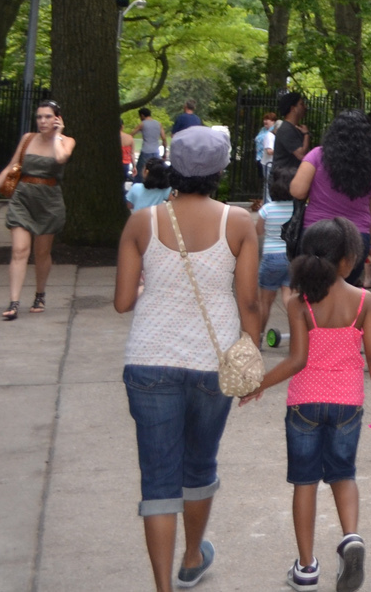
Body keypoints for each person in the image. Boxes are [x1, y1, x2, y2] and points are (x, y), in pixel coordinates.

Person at [114, 125, 259, 591]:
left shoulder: (143, 221)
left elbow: (121, 301)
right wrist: (251, 361)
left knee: (157, 479)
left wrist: (149, 285)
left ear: (174, 165)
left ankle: (161, 587)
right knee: (200, 465)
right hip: (211, 363)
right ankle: (192, 556)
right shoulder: (238, 223)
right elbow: (250, 303)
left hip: (149, 360)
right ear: (221, 169)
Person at [243, 217, 371, 592]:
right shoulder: (364, 300)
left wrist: (259, 384)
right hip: (347, 403)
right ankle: (351, 537)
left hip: (305, 404)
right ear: (348, 260)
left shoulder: (298, 301)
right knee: (344, 474)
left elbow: (296, 361)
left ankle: (306, 568)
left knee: (305, 482)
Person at [0, 99, 76, 320]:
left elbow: (61, 158)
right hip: (23, 198)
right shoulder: (28, 139)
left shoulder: (66, 141)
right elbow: (12, 167)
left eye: (48, 117)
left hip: (48, 201)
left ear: (57, 118)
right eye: (39, 117)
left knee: (41, 253)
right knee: (20, 251)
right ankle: (13, 303)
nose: (43, 121)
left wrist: (58, 135)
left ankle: (40, 294)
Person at [289, 111, 371, 285]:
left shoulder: (317, 155)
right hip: (357, 237)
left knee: (314, 289)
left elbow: (297, 191)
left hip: (316, 233)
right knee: (345, 289)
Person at [257, 167, 296, 347]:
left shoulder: (267, 209)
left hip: (272, 256)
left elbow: (258, 231)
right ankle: (297, 335)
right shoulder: (298, 209)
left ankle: (259, 336)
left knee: (265, 300)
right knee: (289, 297)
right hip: (292, 257)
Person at [270, 92, 309, 184]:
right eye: (301, 104)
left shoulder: (293, 128)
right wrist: (306, 134)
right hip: (283, 183)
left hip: (288, 179)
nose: (305, 107)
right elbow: (302, 155)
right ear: (293, 109)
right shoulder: (286, 129)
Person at [255, 113, 278, 190]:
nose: (265, 121)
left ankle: (267, 199)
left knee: (268, 181)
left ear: (273, 121)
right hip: (260, 157)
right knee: (264, 180)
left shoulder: (273, 132)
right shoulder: (263, 130)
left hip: (268, 160)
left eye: (267, 119)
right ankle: (264, 198)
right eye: (264, 119)